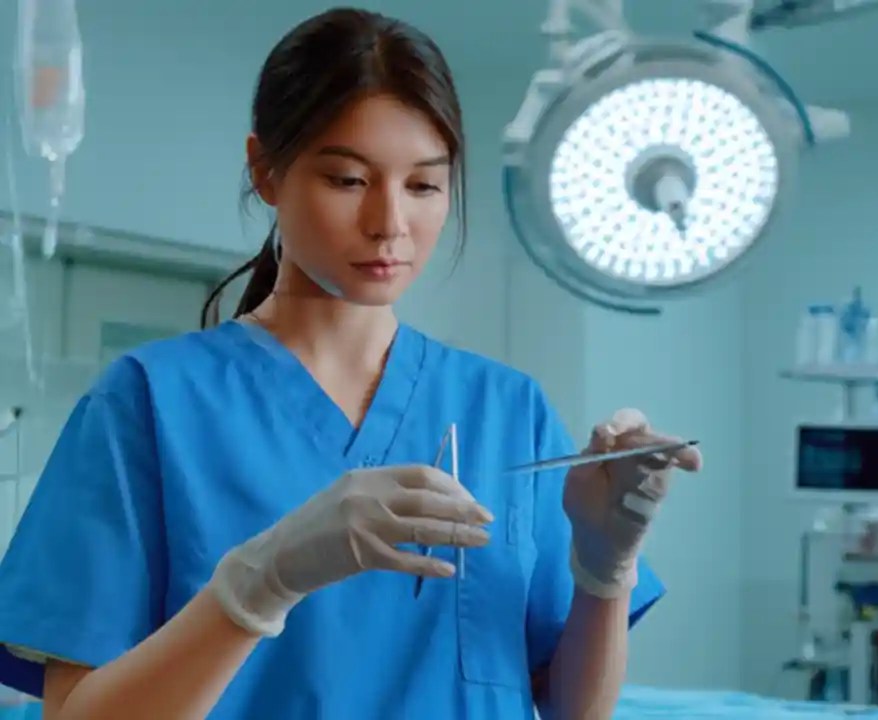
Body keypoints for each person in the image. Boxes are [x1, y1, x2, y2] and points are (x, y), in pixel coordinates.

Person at [0, 7, 702, 719]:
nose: (390, 223)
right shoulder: (152, 404)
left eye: (424, 186)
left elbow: (573, 711)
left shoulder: (507, 410)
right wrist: (259, 583)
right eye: (347, 180)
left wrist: (604, 565)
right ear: (265, 172)